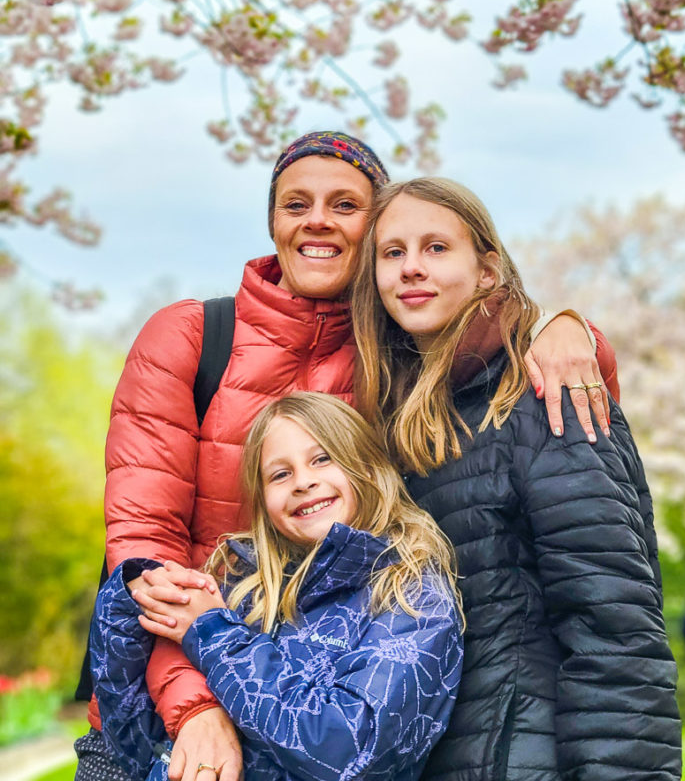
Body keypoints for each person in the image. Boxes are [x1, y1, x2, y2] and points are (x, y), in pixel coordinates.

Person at [75, 131, 618, 781]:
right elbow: (144, 547)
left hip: (317, 725)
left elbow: (501, 356)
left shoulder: (405, 358)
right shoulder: (192, 336)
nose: (317, 222)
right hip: (178, 716)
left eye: (344, 205)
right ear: (273, 220)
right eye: (295, 203)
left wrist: (567, 327)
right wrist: (196, 710)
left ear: (376, 225)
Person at [352, 177, 681, 781]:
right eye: (393, 253)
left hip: (532, 755)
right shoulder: (405, 421)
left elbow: (612, 621)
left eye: (436, 248)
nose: (411, 269)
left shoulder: (543, 397)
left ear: (486, 270)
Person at [89, 393, 464, 781]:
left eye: (322, 458)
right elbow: (134, 742)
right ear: (263, 499)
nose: (303, 482)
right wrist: (131, 600)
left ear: (367, 467)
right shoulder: (239, 583)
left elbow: (348, 751)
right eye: (280, 474)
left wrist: (216, 637)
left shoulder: (411, 594)